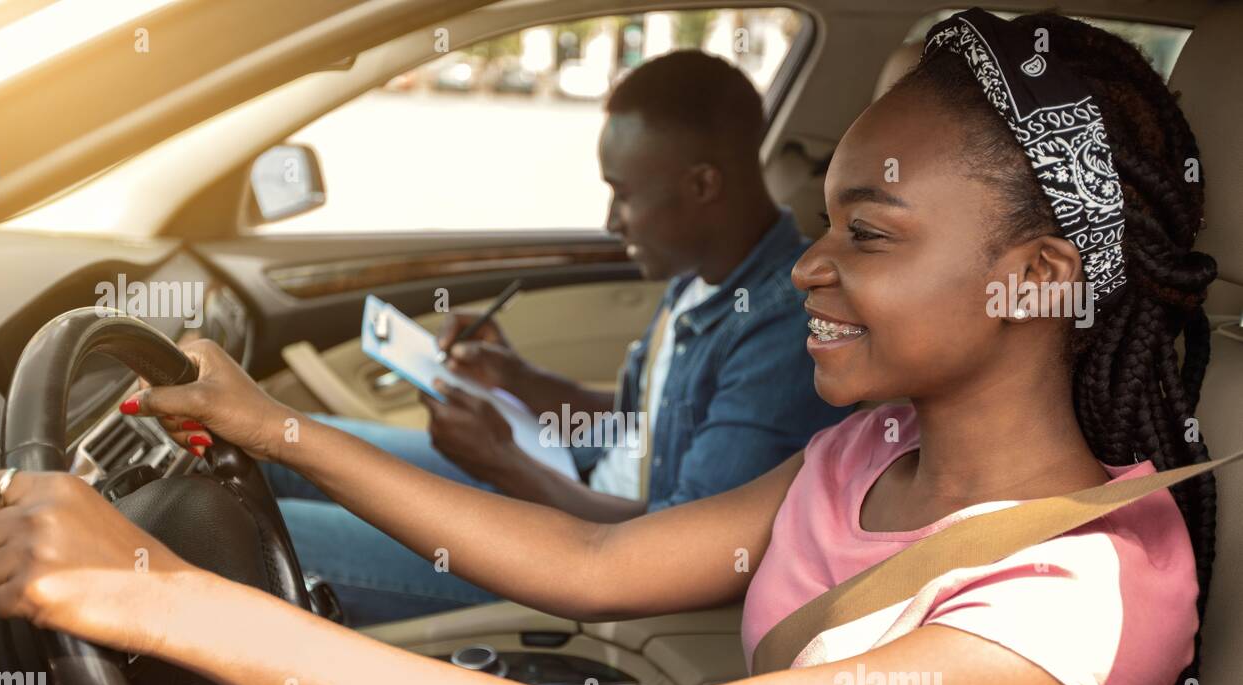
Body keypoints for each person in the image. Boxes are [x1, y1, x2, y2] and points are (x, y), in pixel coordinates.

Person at [0, 10, 1216, 685]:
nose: (806, 267)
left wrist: (162, 595)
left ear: (1035, 278)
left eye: (866, 235)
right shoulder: (874, 448)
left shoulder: (1075, 600)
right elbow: (600, 556)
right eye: (823, 220)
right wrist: (273, 427)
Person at [253, 50, 849, 625]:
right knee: (284, 451)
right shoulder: (702, 276)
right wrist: (517, 380)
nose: (610, 221)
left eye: (625, 193)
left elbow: (664, 548)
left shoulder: (779, 326)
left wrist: (504, 462)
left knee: (261, 533)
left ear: (702, 186)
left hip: (579, 555)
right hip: (569, 482)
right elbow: (638, 429)